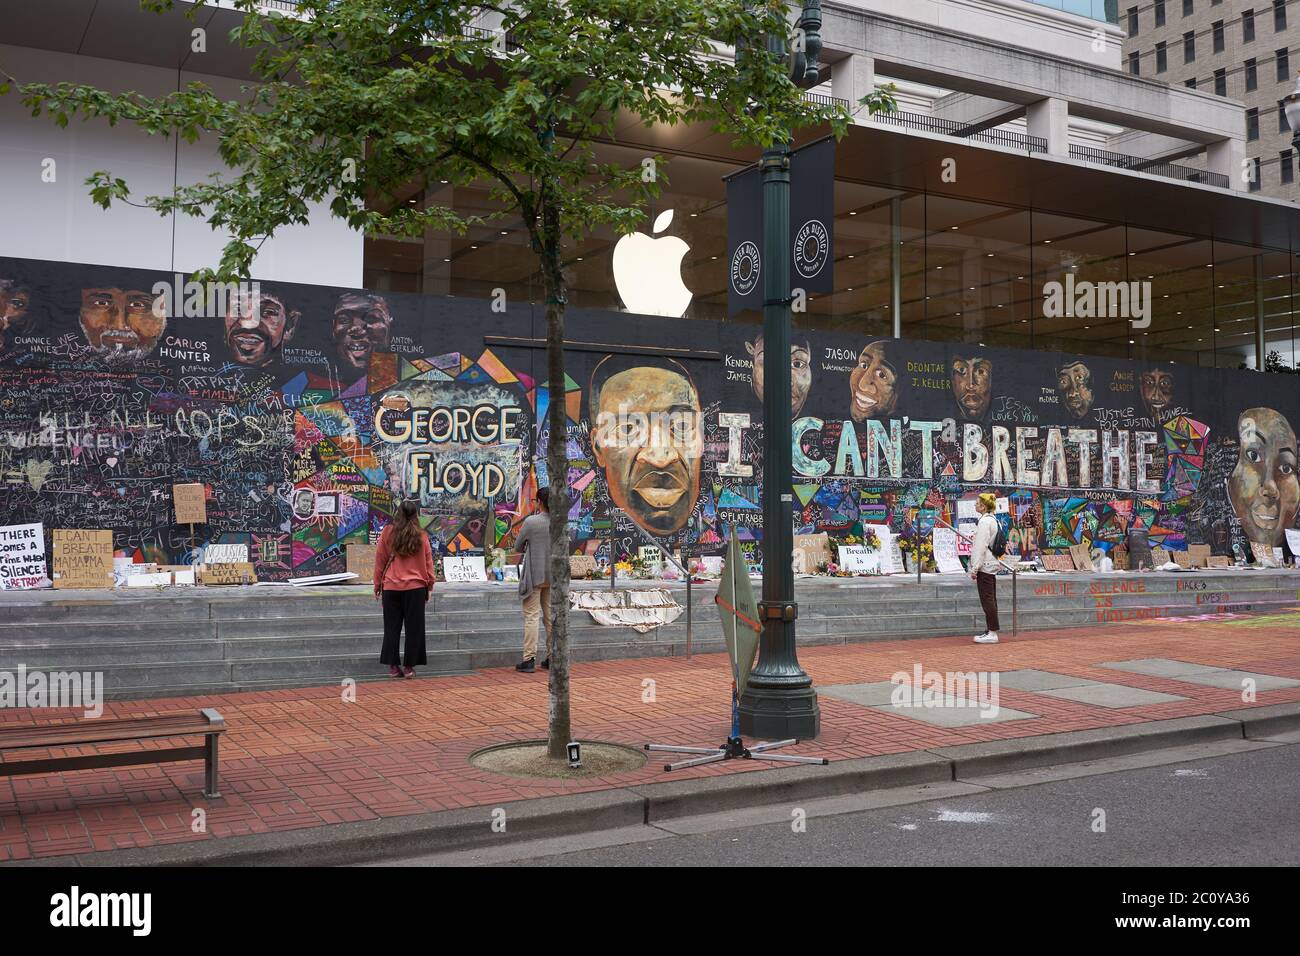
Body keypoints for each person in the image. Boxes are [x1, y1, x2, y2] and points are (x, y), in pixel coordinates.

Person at [374, 499, 435, 678]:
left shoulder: (387, 533)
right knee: (414, 628)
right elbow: (428, 561)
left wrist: (377, 585)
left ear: (398, 513)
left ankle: (393, 666)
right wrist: (430, 584)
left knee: (391, 627)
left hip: (391, 587)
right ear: (415, 515)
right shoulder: (421, 535)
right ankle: (409, 666)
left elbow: (380, 560)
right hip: (416, 588)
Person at [512, 488, 554, 673]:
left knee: (532, 617)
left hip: (534, 574)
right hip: (553, 575)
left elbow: (517, 546)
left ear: (539, 502)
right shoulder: (561, 523)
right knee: (550, 617)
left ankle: (529, 659)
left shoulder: (531, 522)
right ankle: (553, 657)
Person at [969, 492, 1003, 644]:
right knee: (990, 597)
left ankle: (992, 632)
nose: (975, 505)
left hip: (985, 565)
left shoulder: (984, 522)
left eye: (977, 503)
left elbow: (980, 546)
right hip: (992, 562)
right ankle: (991, 630)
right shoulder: (993, 520)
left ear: (983, 506)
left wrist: (974, 568)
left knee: (987, 598)